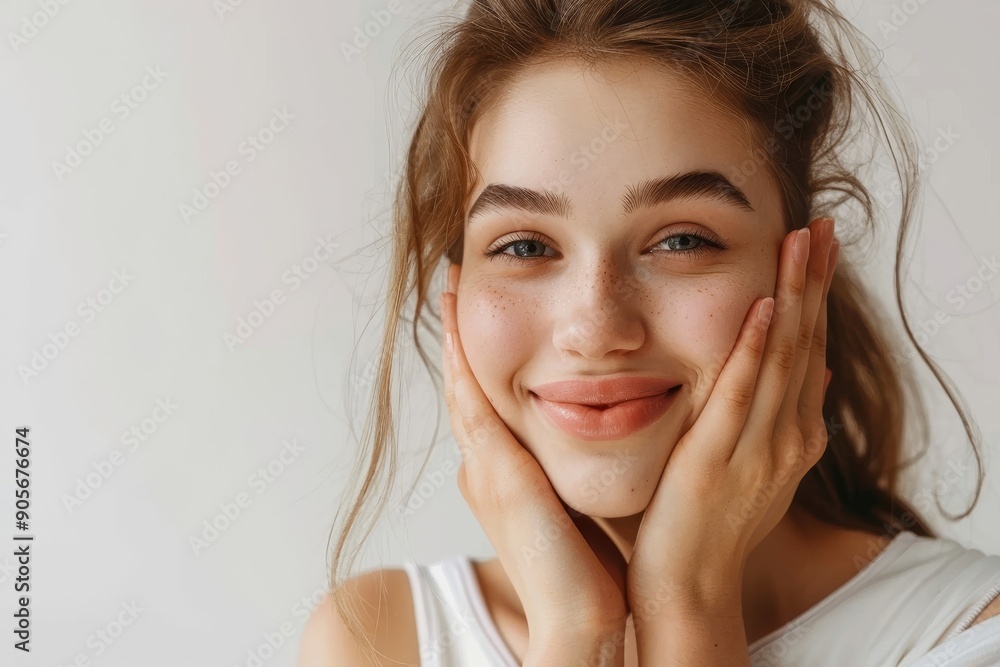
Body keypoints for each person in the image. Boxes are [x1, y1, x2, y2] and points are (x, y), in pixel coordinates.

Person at [299, 1, 1000, 665]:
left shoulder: (969, 635)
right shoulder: (379, 639)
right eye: (522, 247)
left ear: (803, 269)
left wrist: (688, 608)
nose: (596, 328)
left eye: (682, 239)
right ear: (456, 289)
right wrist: (576, 634)